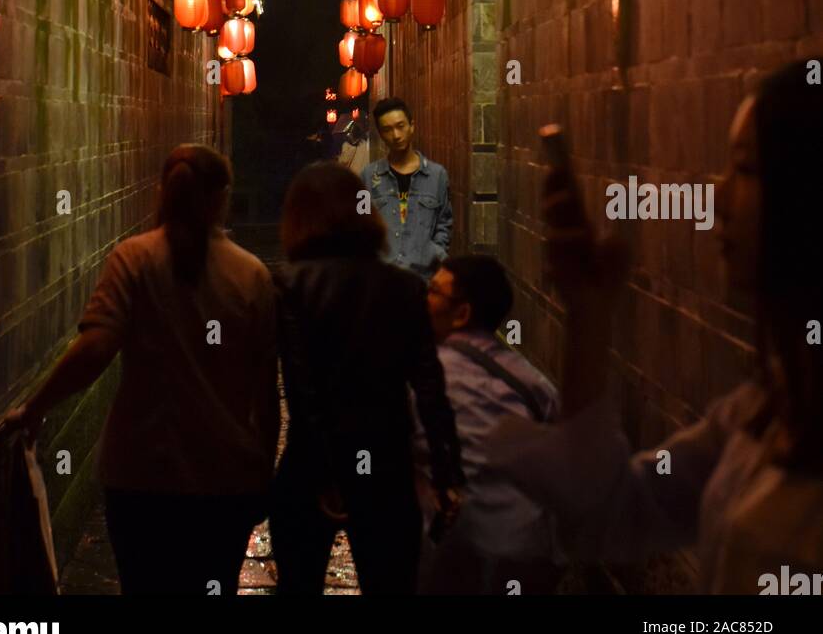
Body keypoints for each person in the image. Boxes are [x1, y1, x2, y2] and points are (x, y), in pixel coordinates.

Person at [489, 61, 823, 592]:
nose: (719, 193)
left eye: (748, 170)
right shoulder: (760, 411)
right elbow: (610, 513)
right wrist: (589, 315)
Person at [6, 145, 280, 595]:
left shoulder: (133, 259)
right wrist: (261, 471)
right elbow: (265, 393)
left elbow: (95, 348)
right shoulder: (251, 275)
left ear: (162, 191)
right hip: (221, 474)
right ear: (222, 197)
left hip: (140, 473)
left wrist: (35, 407)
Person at [270, 162, 465, 595]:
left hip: (309, 465)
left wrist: (325, 477)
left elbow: (302, 391)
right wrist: (447, 474)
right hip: (385, 463)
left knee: (298, 587)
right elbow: (430, 388)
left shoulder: (289, 286)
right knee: (391, 585)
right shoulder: (404, 287)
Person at [413, 255, 560, 595]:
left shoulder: (421, 376)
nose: (423, 299)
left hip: (456, 554)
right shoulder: (533, 383)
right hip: (531, 552)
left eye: (433, 291)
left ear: (461, 313)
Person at [360, 96, 453, 282]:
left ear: (412, 125)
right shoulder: (368, 177)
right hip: (381, 281)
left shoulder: (437, 176)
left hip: (424, 280)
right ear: (380, 133)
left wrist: (435, 252)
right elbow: (359, 224)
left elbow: (444, 223)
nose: (396, 135)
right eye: (387, 129)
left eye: (400, 126)